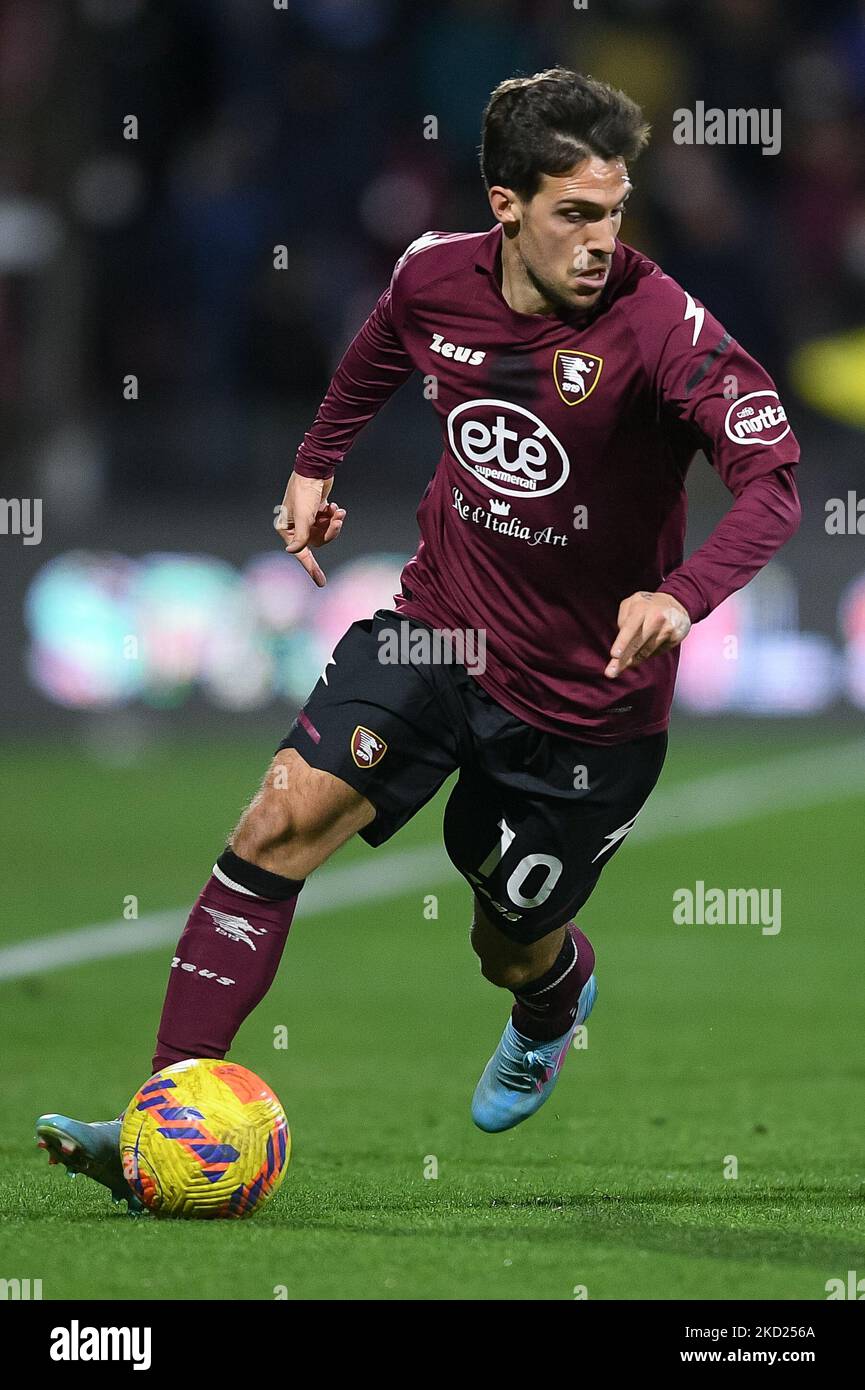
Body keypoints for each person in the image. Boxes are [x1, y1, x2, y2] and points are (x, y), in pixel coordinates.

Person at [37, 69, 800, 1208]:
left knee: (508, 938)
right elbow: (385, 344)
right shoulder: (432, 275)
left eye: (614, 212)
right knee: (275, 822)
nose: (602, 241)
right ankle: (166, 1119)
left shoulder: (662, 330)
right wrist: (315, 461)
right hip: (439, 631)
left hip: (585, 703)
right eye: (574, 213)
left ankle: (550, 995)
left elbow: (775, 482)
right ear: (505, 206)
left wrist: (683, 596)